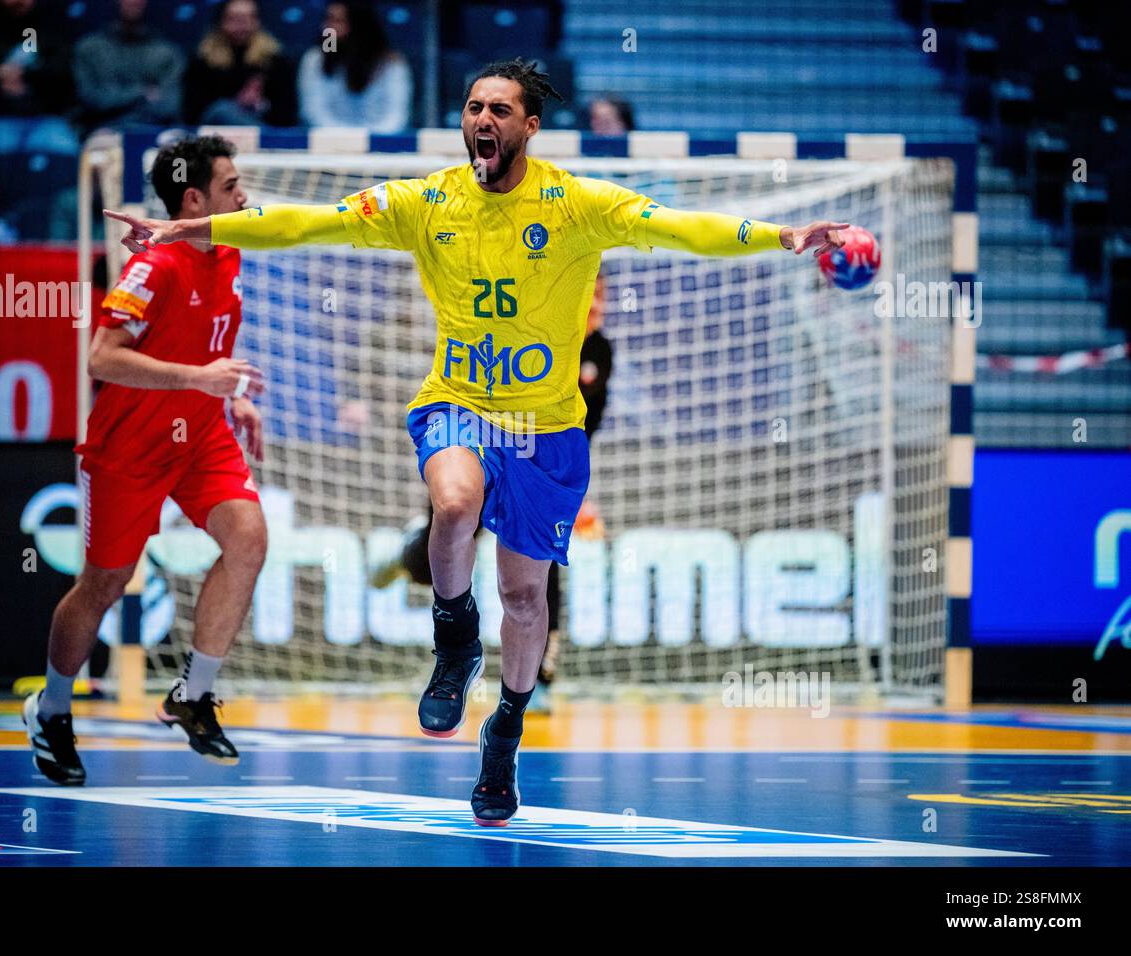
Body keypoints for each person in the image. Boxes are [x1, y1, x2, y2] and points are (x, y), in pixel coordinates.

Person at [103, 58, 851, 824]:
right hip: (457, 403)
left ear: (529, 125)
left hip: (547, 428)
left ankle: (505, 732)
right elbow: (307, 218)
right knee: (455, 505)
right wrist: (192, 226)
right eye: (472, 107)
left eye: (499, 108)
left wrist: (784, 234)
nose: (482, 119)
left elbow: (678, 227)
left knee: (525, 598)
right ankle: (455, 642)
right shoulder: (428, 202)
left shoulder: (575, 203)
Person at [25, 135, 267, 786]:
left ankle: (193, 694)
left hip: (202, 433)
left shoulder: (232, 249)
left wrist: (232, 395)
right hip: (130, 443)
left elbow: (210, 343)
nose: (243, 196)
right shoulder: (153, 267)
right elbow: (102, 358)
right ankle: (50, 709)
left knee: (248, 537)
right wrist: (199, 378)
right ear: (195, 197)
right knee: (104, 583)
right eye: (230, 186)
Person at [369, 274, 616, 716]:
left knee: (540, 568)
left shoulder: (598, 352)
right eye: (590, 293)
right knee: (442, 550)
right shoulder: (527, 329)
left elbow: (583, 430)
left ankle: (535, 682)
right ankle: (411, 554)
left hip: (537, 460)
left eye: (603, 295)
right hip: (481, 445)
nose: (597, 304)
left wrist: (571, 494)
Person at [0, 0, 78, 215]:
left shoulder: (51, 27)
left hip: (43, 120)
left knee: (66, 145)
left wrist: (27, 75)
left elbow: (64, 75)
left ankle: (61, 226)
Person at [297, 2, 413, 133]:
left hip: (380, 146)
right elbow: (314, 113)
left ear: (360, 26)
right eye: (327, 19)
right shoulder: (315, 59)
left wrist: (369, 141)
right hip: (331, 145)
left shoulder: (392, 63)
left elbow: (396, 117)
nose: (327, 28)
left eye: (338, 21)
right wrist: (348, 140)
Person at [74, 0, 185, 132]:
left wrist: (118, 98)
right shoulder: (90, 48)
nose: (133, 2)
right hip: (102, 131)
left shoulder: (167, 53)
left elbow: (168, 106)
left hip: (152, 132)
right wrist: (142, 93)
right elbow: (93, 100)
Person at [184, 0, 297, 128]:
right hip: (213, 136)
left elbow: (287, 116)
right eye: (234, 18)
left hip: (265, 136)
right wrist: (238, 104)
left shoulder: (275, 61)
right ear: (220, 22)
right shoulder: (202, 61)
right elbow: (191, 114)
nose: (241, 25)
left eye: (248, 18)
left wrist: (261, 106)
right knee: (222, 110)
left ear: (258, 22)